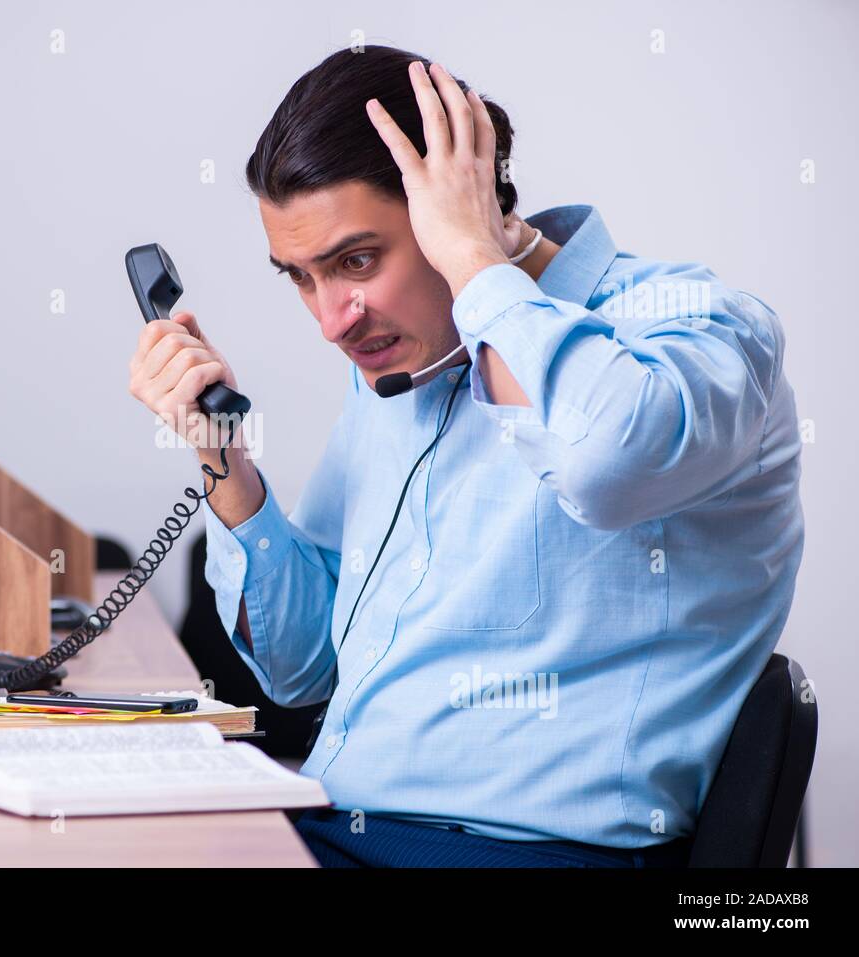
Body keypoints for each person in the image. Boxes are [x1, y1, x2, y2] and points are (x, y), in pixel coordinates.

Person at [126, 45, 803, 867]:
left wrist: (477, 261)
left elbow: (603, 462)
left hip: (529, 852)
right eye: (300, 277)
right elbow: (303, 668)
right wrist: (221, 457)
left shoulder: (699, 326)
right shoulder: (401, 369)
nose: (332, 319)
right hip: (339, 826)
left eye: (356, 260)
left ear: (461, 205)